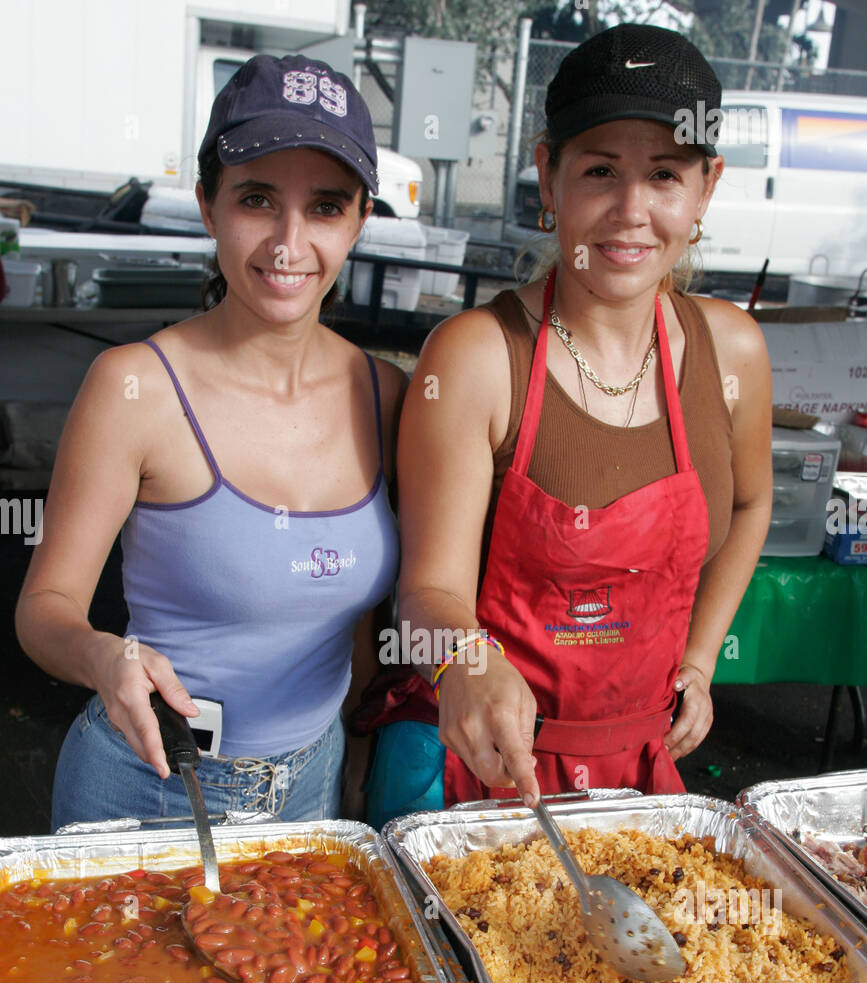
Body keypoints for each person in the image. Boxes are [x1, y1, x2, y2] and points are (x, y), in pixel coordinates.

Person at [361, 23, 773, 823]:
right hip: (469, 760)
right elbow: (426, 593)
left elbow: (753, 504)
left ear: (706, 187)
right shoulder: (478, 356)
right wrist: (469, 659)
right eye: (598, 172)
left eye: (663, 175)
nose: (630, 211)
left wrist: (698, 655)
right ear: (548, 177)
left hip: (633, 768)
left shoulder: (732, 350)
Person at [16, 55, 403, 830]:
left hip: (312, 783)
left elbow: (363, 625)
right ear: (207, 205)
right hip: (146, 779)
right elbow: (44, 608)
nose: (288, 244)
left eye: (324, 207)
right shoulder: (134, 387)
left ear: (359, 220)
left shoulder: (387, 395)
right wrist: (102, 656)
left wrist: (356, 750)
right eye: (257, 200)